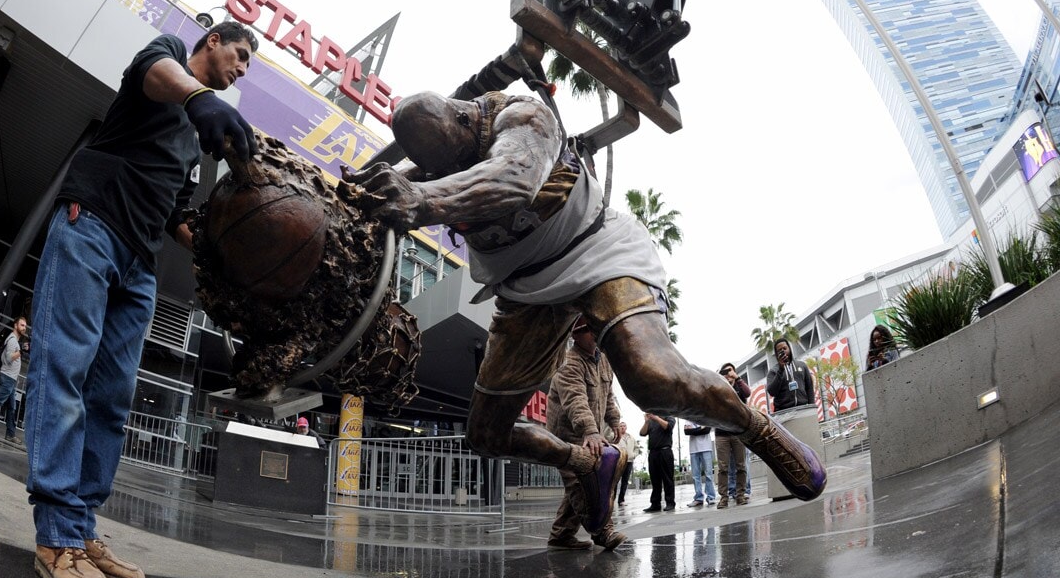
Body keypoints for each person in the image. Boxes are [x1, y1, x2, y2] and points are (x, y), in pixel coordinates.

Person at [341, 90, 826, 541]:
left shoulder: (524, 116)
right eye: (446, 168)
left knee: (651, 377)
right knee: (485, 434)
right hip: (526, 291)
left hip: (597, 252)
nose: (459, 168)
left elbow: (512, 179)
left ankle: (755, 427)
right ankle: (587, 464)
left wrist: (422, 199)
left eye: (463, 158)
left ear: (466, 118)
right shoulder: (437, 164)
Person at [24, 21, 260, 578]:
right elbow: (158, 77)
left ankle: (81, 527)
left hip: (139, 261)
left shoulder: (192, 140)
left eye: (250, 64)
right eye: (240, 53)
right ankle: (55, 539)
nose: (243, 68)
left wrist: (221, 245)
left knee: (111, 396)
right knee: (65, 373)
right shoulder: (169, 62)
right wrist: (200, 97)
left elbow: (177, 214)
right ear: (211, 41)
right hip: (93, 224)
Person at [545, 317, 625, 551]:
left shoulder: (603, 360)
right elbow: (575, 400)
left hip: (589, 435)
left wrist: (615, 421)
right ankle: (603, 532)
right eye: (589, 330)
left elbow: (608, 396)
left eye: (596, 329)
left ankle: (560, 535)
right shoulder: (568, 363)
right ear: (575, 335)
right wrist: (589, 430)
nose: (595, 334)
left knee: (578, 485)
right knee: (584, 483)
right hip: (568, 437)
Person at [715, 363, 751, 508]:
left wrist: (737, 378)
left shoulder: (739, 387)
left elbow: (747, 393)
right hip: (721, 433)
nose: (728, 374)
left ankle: (740, 495)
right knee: (723, 467)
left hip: (738, 432)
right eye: (726, 372)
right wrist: (719, 378)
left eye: (731, 371)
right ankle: (723, 497)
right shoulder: (719, 387)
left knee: (741, 466)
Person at [766, 337, 815, 412]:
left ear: (789, 349)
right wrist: (781, 370)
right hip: (783, 412)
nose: (783, 351)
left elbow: (809, 387)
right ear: (776, 354)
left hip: (803, 409)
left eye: (784, 348)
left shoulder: (802, 365)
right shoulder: (773, 371)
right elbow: (771, 392)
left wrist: (812, 407)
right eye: (779, 350)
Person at [641, 413, 676, 512]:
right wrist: (647, 421)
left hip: (665, 451)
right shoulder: (651, 422)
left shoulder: (669, 417)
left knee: (667, 479)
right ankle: (655, 504)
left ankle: (670, 502)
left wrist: (657, 418)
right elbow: (642, 433)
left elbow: (668, 427)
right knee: (655, 480)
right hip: (653, 452)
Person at [684, 419, 716, 508]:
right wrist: (700, 428)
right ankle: (698, 498)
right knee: (695, 476)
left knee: (709, 474)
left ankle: (711, 497)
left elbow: (707, 430)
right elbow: (686, 432)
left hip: (706, 448)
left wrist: (693, 431)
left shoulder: (705, 415)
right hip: (693, 449)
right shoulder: (688, 417)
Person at [614, 420, 639, 507]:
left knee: (625, 481)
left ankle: (621, 500)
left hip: (629, 461)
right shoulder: (615, 437)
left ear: (626, 427)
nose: (622, 427)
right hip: (618, 461)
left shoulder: (631, 437)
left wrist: (634, 455)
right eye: (621, 426)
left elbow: (636, 448)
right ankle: (612, 499)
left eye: (624, 426)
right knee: (615, 481)